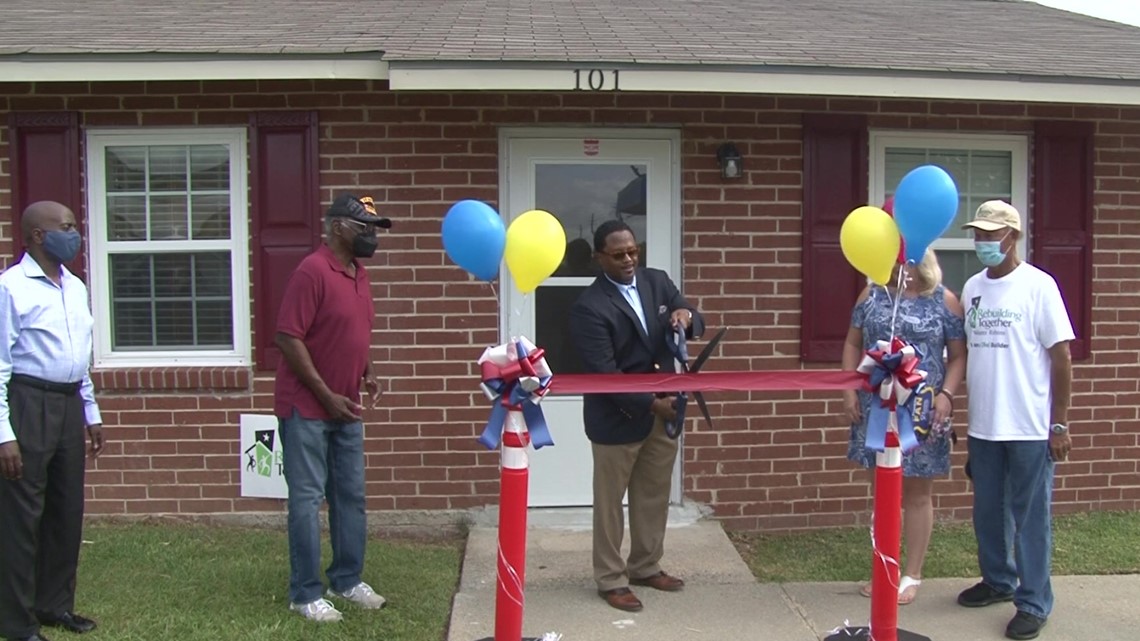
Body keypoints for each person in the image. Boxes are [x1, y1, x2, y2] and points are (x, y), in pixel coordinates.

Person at [568, 220, 705, 612]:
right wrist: (651, 403)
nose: (629, 259)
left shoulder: (657, 282)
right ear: (599, 258)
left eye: (633, 251)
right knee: (610, 503)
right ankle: (611, 579)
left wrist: (685, 316)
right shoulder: (589, 307)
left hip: (664, 413)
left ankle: (646, 566)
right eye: (618, 254)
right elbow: (603, 373)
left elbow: (693, 315)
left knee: (653, 495)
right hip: (617, 417)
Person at [955, 201, 1073, 641]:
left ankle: (1034, 601)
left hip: (1028, 426)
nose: (983, 242)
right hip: (984, 424)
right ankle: (997, 581)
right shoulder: (971, 288)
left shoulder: (1039, 286)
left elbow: (1061, 357)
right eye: (978, 234)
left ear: (1012, 237)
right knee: (987, 511)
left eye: (991, 234)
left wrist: (1058, 424)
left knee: (1031, 516)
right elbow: (968, 355)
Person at [274, 193, 391, 622]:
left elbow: (357, 332)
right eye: (365, 228)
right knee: (306, 499)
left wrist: (368, 371)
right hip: (307, 407)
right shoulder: (312, 271)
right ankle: (305, 594)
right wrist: (326, 395)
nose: (372, 237)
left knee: (350, 496)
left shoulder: (358, 274)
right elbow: (289, 337)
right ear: (339, 226)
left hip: (347, 406)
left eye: (376, 229)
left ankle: (346, 580)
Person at [0, 201, 106, 641]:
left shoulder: (74, 286)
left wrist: (90, 410)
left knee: (66, 509)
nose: (75, 234)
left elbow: (80, 357)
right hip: (28, 402)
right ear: (38, 236)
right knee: (22, 515)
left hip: (66, 406)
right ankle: (16, 620)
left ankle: (53, 604)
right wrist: (4, 435)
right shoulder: (11, 288)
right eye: (66, 227)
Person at [841, 248, 966, 605]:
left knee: (917, 494)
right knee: (882, 491)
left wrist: (947, 395)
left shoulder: (945, 301)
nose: (901, 269)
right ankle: (884, 568)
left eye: (907, 261)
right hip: (876, 406)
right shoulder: (871, 294)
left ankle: (912, 573)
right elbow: (852, 343)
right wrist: (850, 390)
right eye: (896, 262)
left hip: (924, 411)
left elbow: (958, 356)